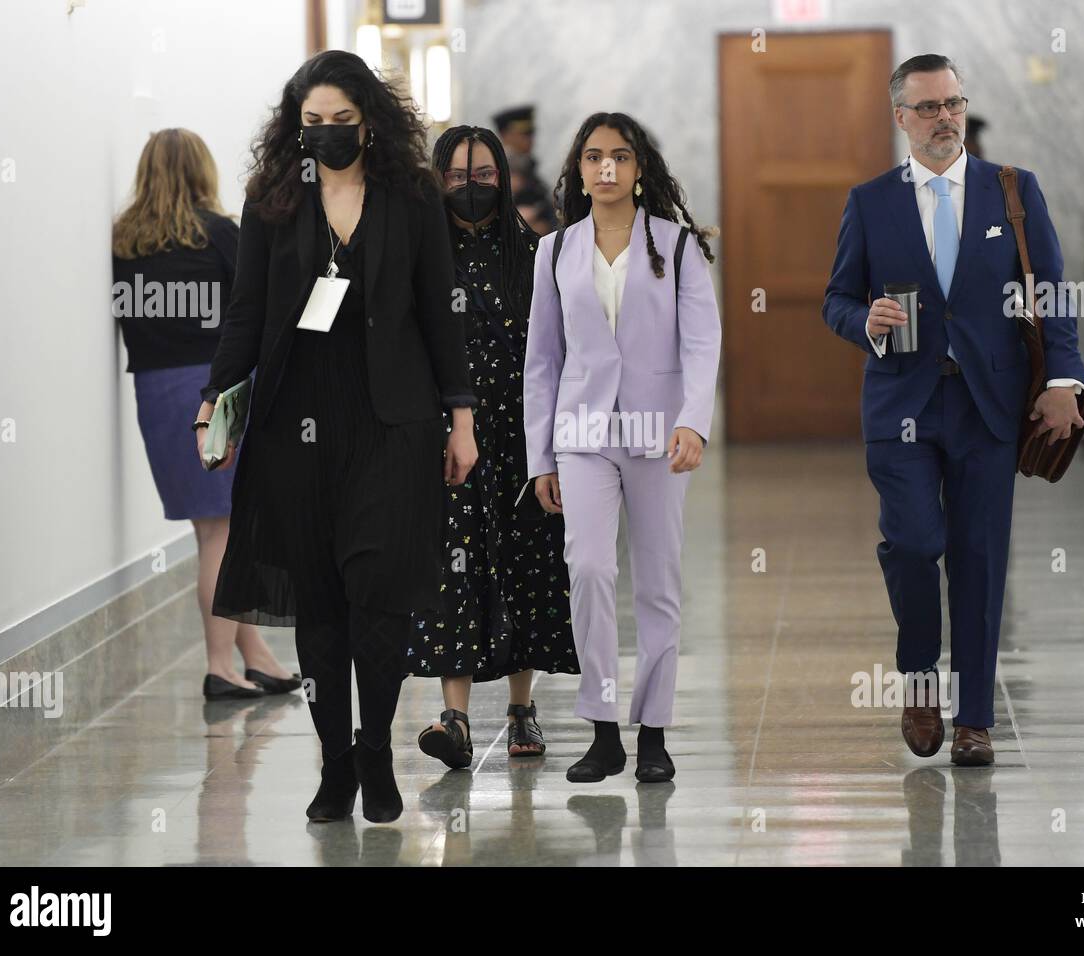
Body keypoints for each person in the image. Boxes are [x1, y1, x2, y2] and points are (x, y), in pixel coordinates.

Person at [194, 50, 478, 824]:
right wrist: (213, 400)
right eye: (311, 124)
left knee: (378, 599)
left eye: (339, 123)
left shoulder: (411, 196)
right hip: (297, 425)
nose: (324, 135)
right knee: (320, 607)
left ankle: (377, 751)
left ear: (369, 122)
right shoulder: (272, 201)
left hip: (392, 421)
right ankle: (335, 765)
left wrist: (462, 418)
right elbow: (246, 315)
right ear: (296, 128)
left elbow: (439, 309)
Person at [823, 54, 1084, 766]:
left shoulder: (1014, 190)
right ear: (901, 117)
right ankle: (916, 679)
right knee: (913, 543)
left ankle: (974, 719)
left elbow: (1052, 292)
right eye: (930, 106)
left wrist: (1064, 378)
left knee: (978, 555)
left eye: (954, 103)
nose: (945, 117)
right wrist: (865, 321)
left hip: (989, 405)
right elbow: (835, 300)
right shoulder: (871, 201)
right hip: (901, 402)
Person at [524, 112, 722, 784]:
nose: (605, 168)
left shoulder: (677, 245)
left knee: (659, 580)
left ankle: (655, 732)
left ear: (639, 171)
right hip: (582, 434)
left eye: (620, 157)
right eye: (592, 157)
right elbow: (542, 360)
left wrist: (694, 421)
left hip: (657, 433)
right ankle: (603, 727)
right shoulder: (554, 251)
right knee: (589, 570)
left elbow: (701, 342)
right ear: (578, 171)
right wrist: (541, 456)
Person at [112, 128, 300, 702]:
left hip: (156, 393)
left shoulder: (125, 241)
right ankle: (220, 665)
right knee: (223, 531)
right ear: (202, 172)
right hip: (214, 394)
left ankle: (254, 655)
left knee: (217, 529)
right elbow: (253, 311)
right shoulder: (218, 233)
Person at [410, 125, 577, 769]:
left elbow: (561, 352)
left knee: (528, 566)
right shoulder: (423, 256)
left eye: (484, 177)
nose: (471, 188)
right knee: (454, 569)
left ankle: (521, 709)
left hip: (524, 435)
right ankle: (453, 717)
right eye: (457, 177)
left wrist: (559, 444)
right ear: (438, 180)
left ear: (503, 180)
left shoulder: (536, 254)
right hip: (451, 437)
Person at [494, 105, 557, 234]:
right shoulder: (500, 168)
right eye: (524, 134)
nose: (530, 139)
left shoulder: (526, 164)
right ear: (505, 135)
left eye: (531, 133)